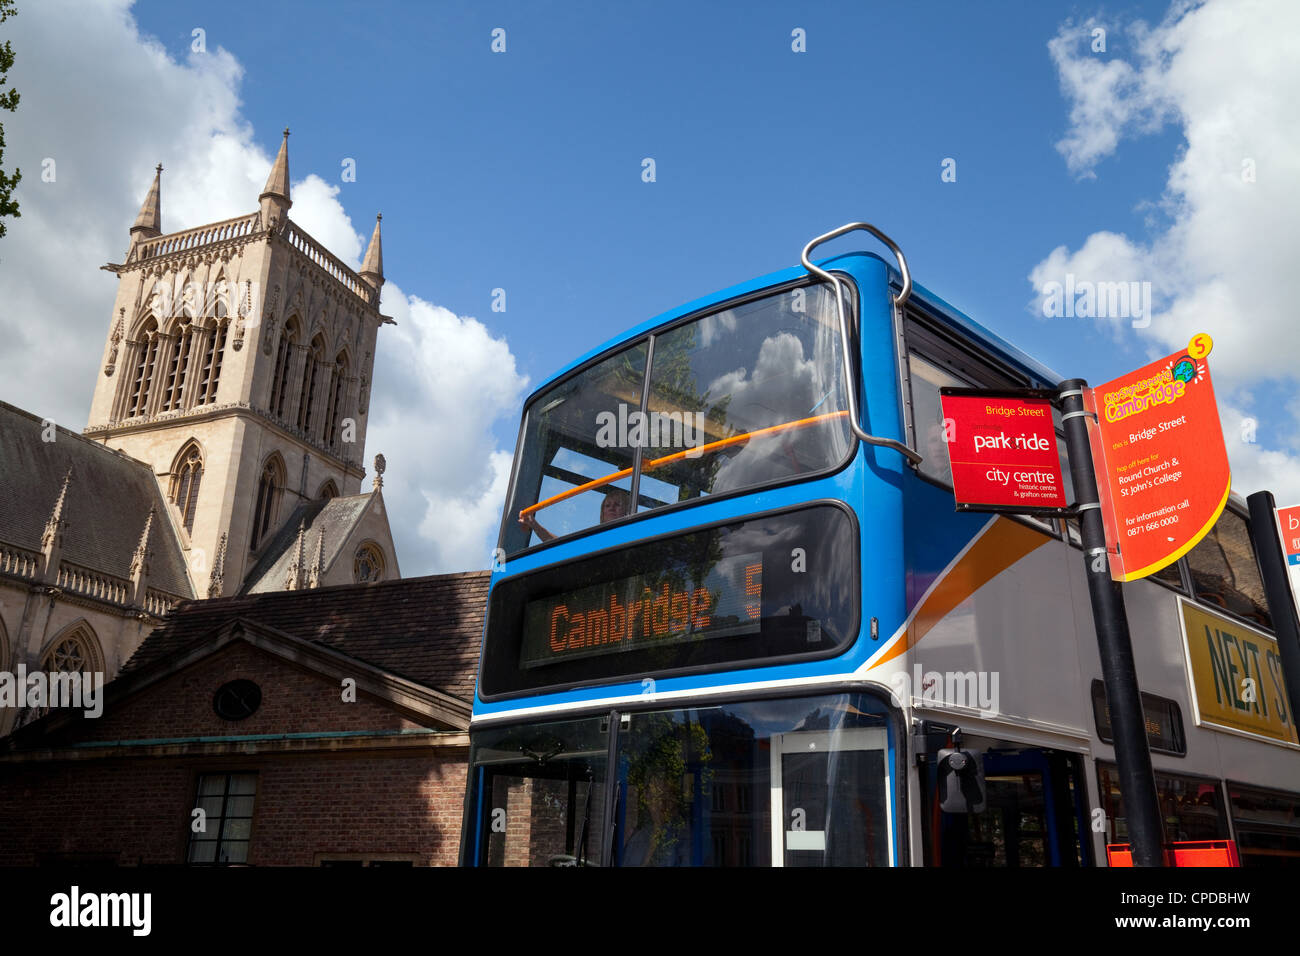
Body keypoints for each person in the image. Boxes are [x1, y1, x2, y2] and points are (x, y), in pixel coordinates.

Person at [519, 486, 632, 543]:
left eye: (617, 504)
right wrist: (534, 524)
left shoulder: (633, 533)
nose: (611, 507)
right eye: (607, 506)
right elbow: (561, 546)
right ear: (602, 513)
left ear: (627, 510)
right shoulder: (595, 538)